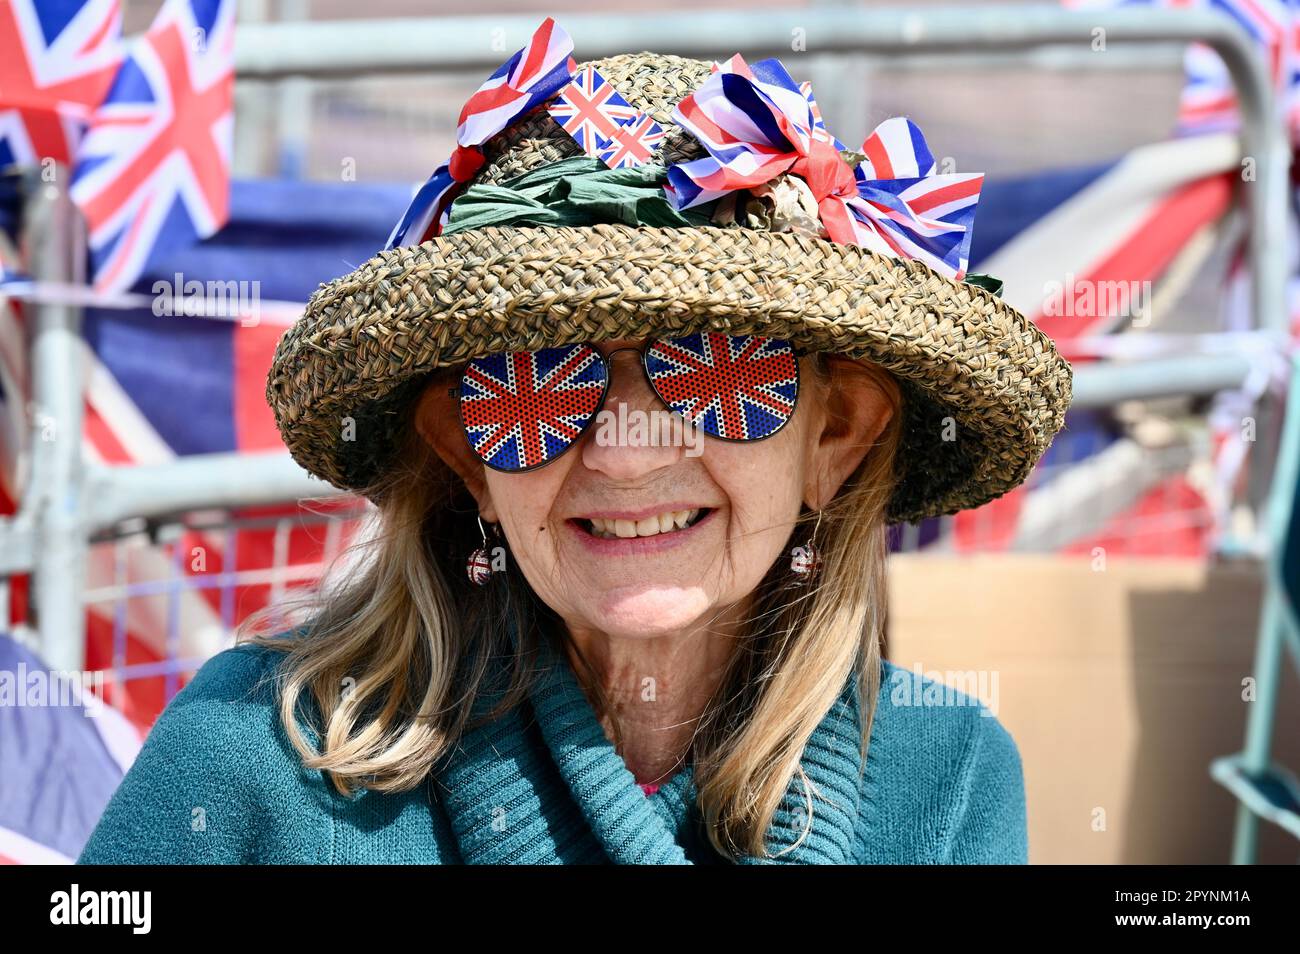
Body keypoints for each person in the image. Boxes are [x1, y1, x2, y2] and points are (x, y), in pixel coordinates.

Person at [77, 37, 1071, 865]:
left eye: (717, 370)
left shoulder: (948, 776)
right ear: (464, 451)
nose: (626, 455)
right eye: (537, 382)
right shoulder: (257, 755)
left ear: (838, 434)